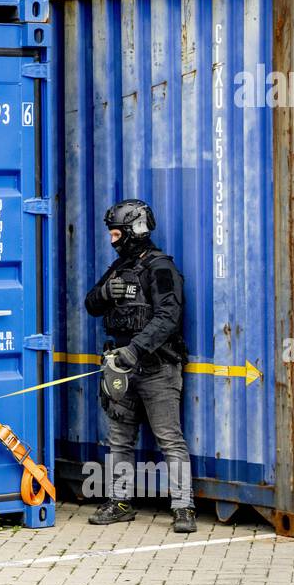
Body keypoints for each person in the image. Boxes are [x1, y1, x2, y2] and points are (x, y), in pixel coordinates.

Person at [84, 199, 196, 533]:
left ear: (136, 229)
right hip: (121, 368)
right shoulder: (119, 267)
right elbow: (90, 304)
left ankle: (184, 507)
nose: (112, 240)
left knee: (169, 439)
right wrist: (105, 292)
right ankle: (119, 503)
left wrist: (135, 350)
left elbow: (168, 317)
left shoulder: (161, 267)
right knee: (119, 440)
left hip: (157, 368)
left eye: (117, 233)